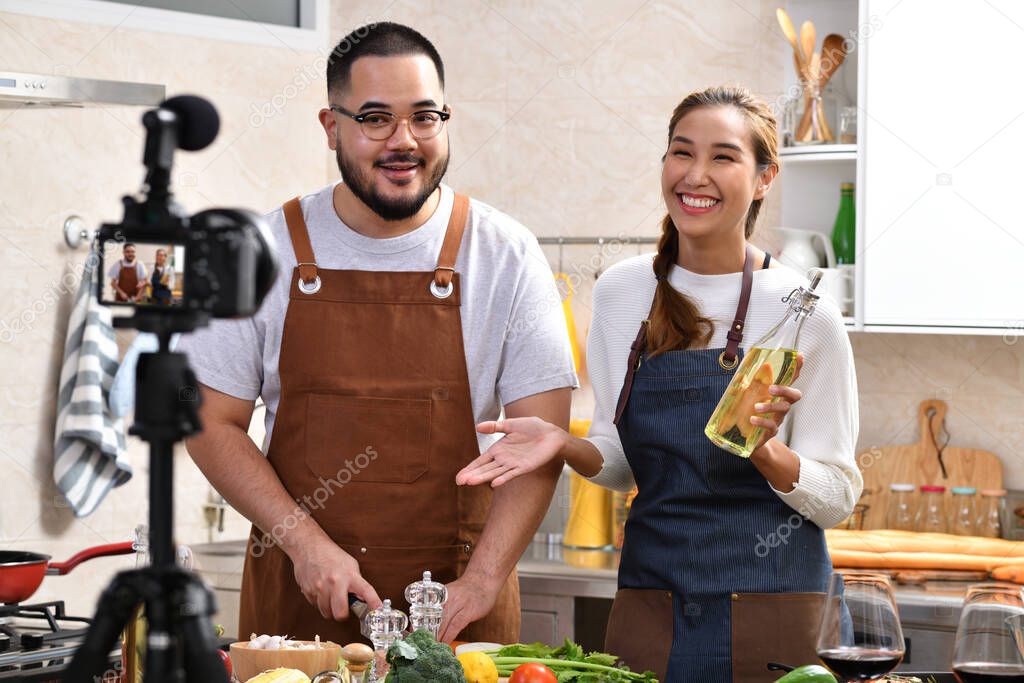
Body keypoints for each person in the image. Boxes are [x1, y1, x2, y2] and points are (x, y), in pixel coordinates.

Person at [179, 22, 576, 645]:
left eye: (425, 117)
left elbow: (537, 443)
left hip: (458, 608)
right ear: (330, 125)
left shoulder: (506, 253)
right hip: (299, 608)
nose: (404, 141)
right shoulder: (260, 251)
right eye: (375, 118)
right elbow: (208, 421)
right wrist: (306, 546)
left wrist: (483, 581)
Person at [456, 86, 861, 682]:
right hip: (654, 603)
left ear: (765, 177)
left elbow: (838, 498)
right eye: (681, 152)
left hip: (778, 605)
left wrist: (770, 454)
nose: (696, 175)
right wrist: (562, 442)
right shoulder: (623, 294)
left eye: (723, 156)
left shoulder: (804, 313)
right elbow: (622, 463)